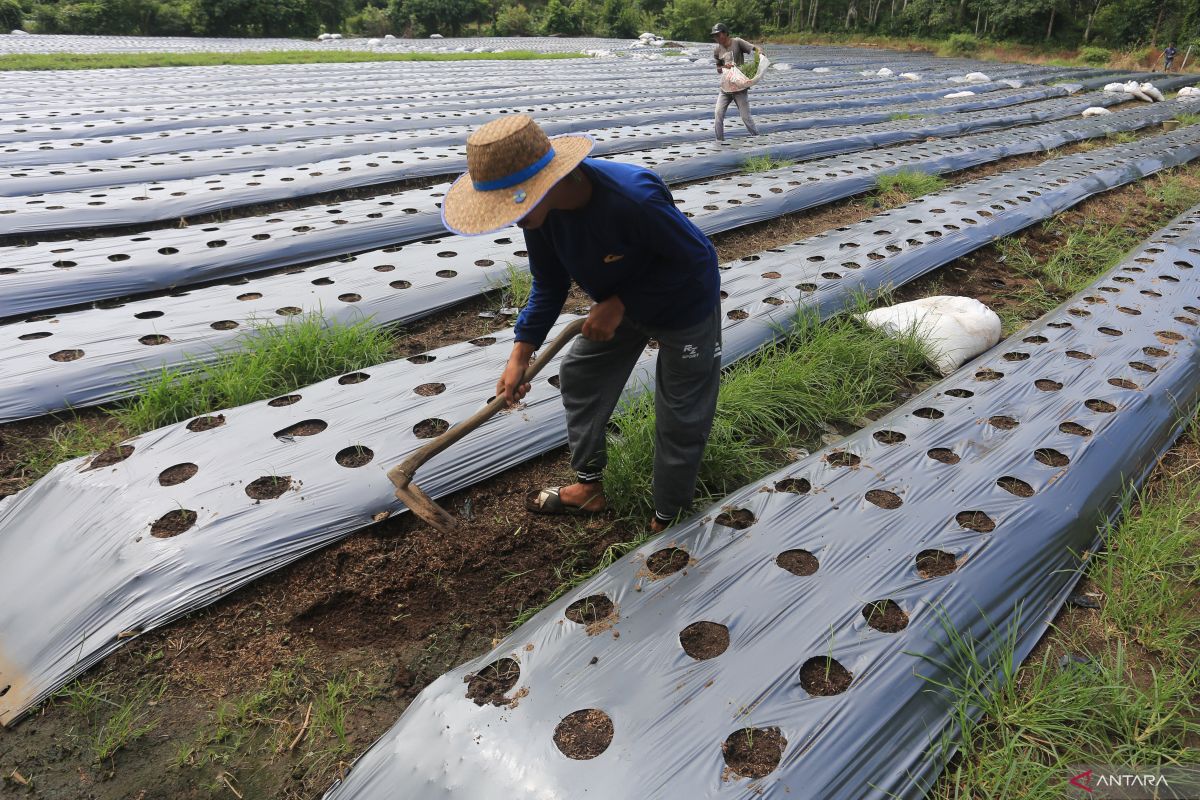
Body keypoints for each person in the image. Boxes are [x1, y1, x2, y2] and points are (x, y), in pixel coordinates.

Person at [440, 115, 723, 534]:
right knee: (580, 375)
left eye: (515, 203)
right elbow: (549, 284)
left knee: (680, 415)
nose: (513, 218)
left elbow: (699, 260)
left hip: (683, 304)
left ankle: (669, 514)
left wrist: (621, 302)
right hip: (617, 308)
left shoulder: (632, 198)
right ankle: (589, 487)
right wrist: (521, 352)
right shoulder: (540, 216)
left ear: (548, 182)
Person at [711, 22, 761, 141]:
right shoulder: (717, 50)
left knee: (745, 117)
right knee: (718, 115)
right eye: (714, 36)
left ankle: (758, 140)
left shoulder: (737, 42)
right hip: (725, 88)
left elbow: (755, 48)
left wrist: (760, 52)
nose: (716, 38)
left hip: (739, 88)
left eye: (718, 35)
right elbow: (718, 69)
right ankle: (719, 142)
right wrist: (724, 67)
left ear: (725, 33)